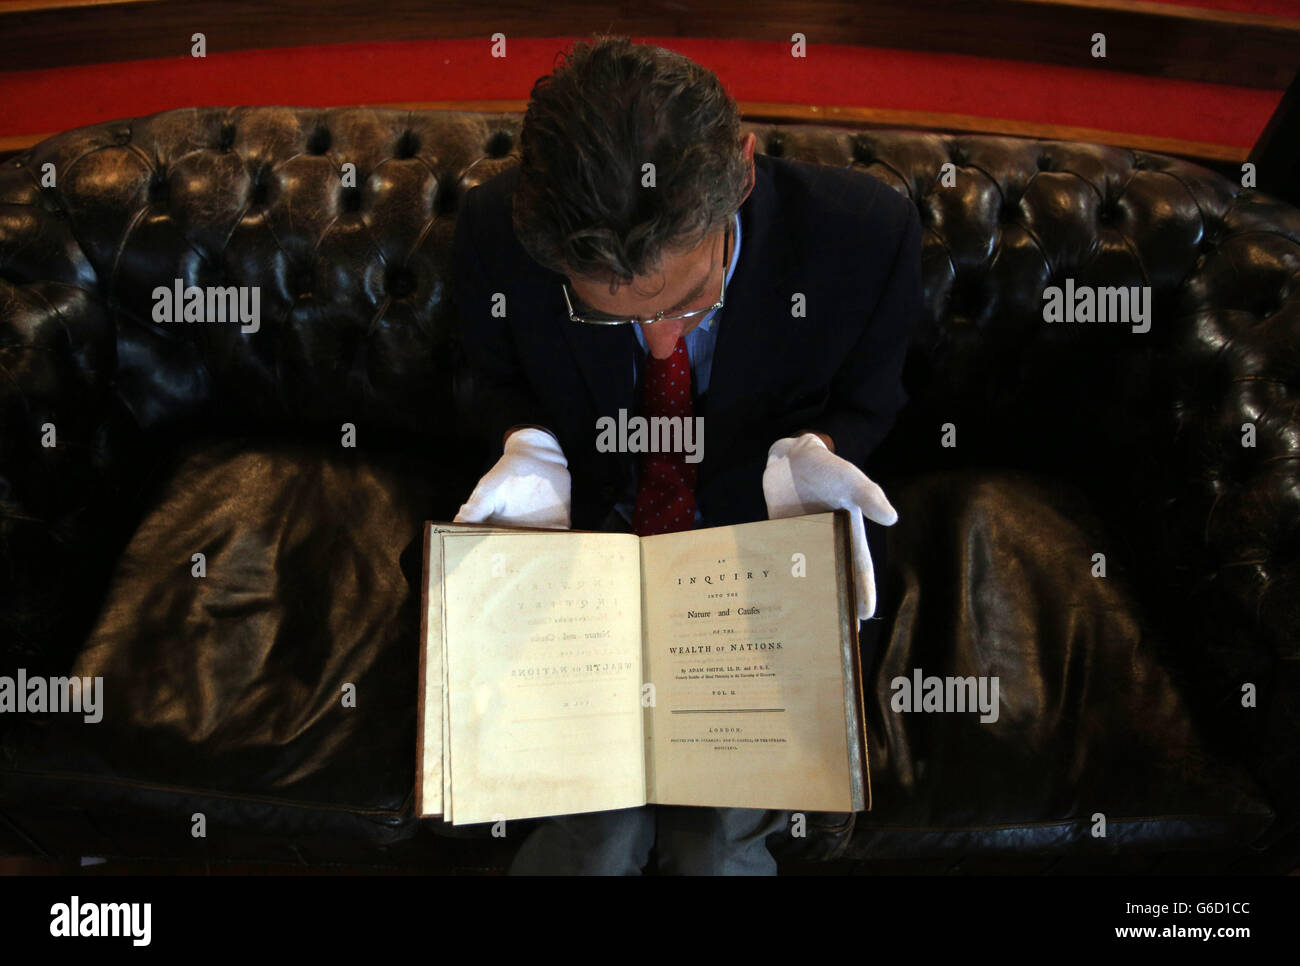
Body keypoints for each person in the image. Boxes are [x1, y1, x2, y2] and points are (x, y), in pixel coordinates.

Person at [450, 35, 921, 875]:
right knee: (589, 841)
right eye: (612, 316)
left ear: (740, 170)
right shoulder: (497, 227)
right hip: (584, 553)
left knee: (716, 850)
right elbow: (489, 379)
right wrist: (528, 449)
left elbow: (871, 398)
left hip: (764, 553)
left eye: (693, 296)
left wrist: (815, 454)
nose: (660, 337)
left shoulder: (863, 233)